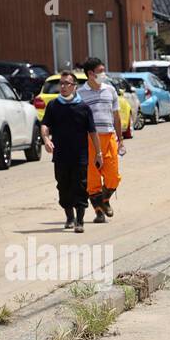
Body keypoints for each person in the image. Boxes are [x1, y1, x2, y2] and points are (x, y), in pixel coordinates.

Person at [40, 70, 101, 233]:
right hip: (60, 156)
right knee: (63, 187)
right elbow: (45, 125)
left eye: (67, 83)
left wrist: (99, 153)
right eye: (61, 83)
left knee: (80, 187)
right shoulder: (53, 105)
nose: (63, 86)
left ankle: (79, 221)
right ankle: (69, 216)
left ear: (74, 87)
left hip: (80, 156)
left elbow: (93, 132)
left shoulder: (83, 107)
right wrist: (46, 140)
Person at [78, 56, 126, 223]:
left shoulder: (110, 90)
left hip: (109, 136)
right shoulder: (80, 94)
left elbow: (116, 116)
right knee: (93, 178)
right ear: (90, 74)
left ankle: (104, 200)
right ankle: (98, 211)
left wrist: (120, 138)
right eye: (100, 71)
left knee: (113, 176)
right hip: (89, 139)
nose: (103, 74)